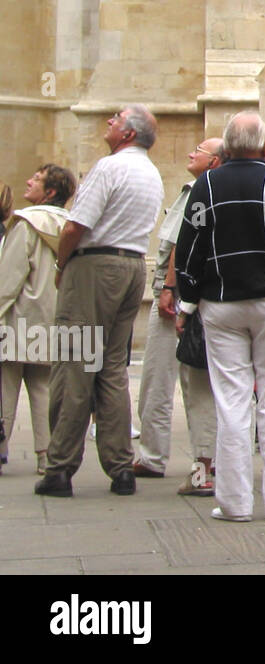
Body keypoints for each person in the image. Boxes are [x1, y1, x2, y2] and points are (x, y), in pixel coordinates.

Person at [173, 111, 265, 521]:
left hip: (221, 302)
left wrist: (190, 295)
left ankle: (234, 503)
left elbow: (190, 245)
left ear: (228, 146)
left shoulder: (206, 185)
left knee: (232, 401)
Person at [38, 104, 165, 499]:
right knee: (111, 367)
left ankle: (59, 468)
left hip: (95, 267)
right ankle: (120, 466)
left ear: (128, 133)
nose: (108, 122)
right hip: (130, 267)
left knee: (75, 364)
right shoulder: (152, 173)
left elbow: (76, 225)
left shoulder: (109, 167)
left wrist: (62, 263)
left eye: (116, 119)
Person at [133, 139, 222, 494]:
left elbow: (180, 244)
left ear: (213, 160)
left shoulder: (198, 190)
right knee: (181, 382)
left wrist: (170, 288)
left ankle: (172, 461)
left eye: (198, 149)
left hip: (180, 299)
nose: (190, 152)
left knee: (178, 381)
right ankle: (159, 457)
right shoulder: (215, 191)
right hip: (200, 297)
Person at [0, 165, 76, 475]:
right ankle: (46, 456)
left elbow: (10, 278)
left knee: (5, 387)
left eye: (37, 179)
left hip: (18, 318)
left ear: (50, 192)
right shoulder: (70, 225)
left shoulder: (26, 223)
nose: (29, 181)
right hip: (53, 318)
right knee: (43, 388)